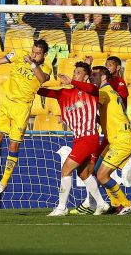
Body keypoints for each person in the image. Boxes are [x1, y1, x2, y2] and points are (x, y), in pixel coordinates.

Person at [0, 40, 50, 197]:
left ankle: (3, 183)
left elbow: (42, 79)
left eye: (37, 53)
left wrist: (33, 64)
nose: (33, 54)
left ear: (44, 55)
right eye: (33, 51)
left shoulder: (45, 67)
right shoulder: (19, 55)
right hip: (6, 103)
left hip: (21, 108)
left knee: (13, 146)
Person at [38, 62, 107, 216]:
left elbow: (92, 88)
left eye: (78, 72)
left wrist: (72, 82)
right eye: (74, 72)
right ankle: (101, 204)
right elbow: (42, 91)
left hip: (89, 137)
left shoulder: (91, 91)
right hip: (78, 138)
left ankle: (62, 207)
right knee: (82, 173)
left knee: (66, 169)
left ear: (86, 76)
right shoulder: (64, 93)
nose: (75, 74)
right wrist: (33, 80)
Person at [90, 65, 131, 215]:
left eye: (94, 75)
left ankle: (125, 203)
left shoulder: (104, 92)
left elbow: (92, 104)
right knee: (97, 171)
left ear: (103, 77)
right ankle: (116, 203)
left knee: (102, 175)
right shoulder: (109, 91)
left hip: (121, 140)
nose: (92, 77)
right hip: (114, 139)